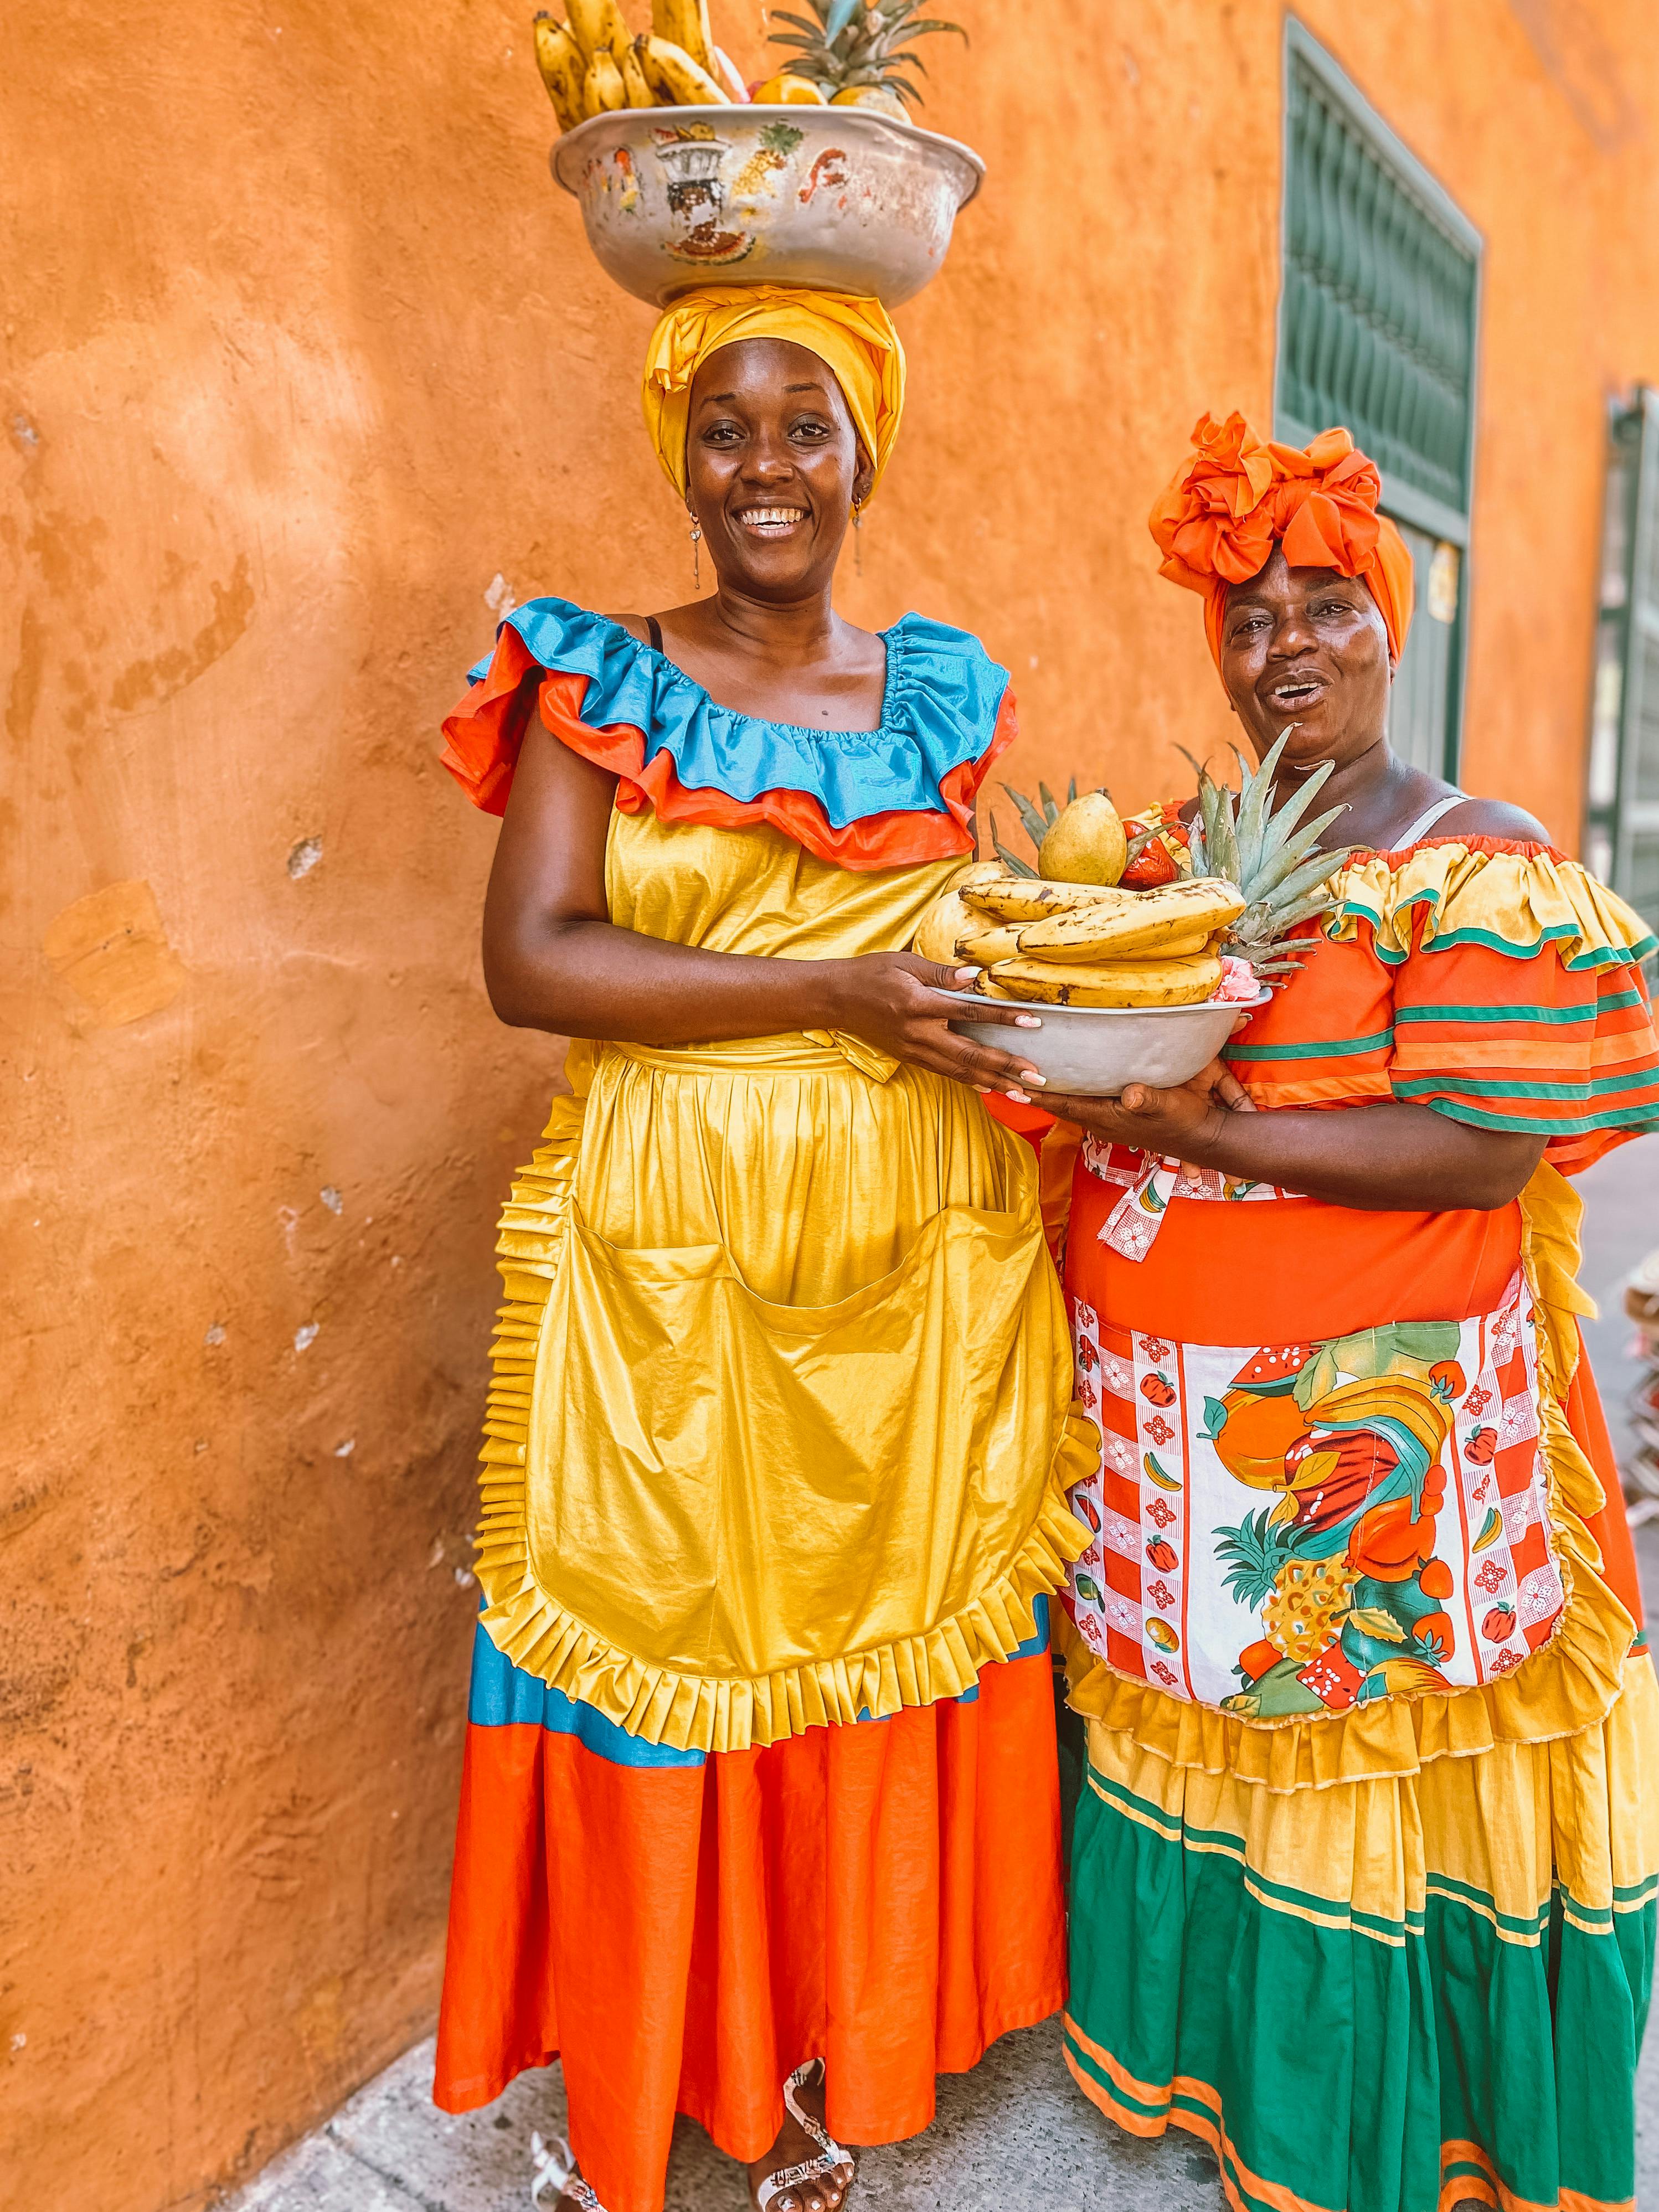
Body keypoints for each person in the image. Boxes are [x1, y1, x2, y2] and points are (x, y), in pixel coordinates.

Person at [428, 286, 1091, 2212]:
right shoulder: (599, 677)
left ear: (865, 449)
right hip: (677, 1240)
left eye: (807, 423)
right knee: (678, 1609)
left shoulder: (939, 692)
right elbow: (532, 958)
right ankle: (685, 2049)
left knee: (880, 1602)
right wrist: (832, 988)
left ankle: (839, 2036)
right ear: (680, 456)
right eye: (723, 427)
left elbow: (964, 943)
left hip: (920, 1243)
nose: (766, 466)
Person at [1040, 413, 1659, 2212]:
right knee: (1213, 1722)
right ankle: (1208, 2061)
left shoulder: (1473, 861)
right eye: (1247, 619)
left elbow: (1479, 1151)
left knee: (1360, 1724)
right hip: (1174, 1445)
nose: (1286, 644)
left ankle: (1373, 2119)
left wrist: (1206, 1130)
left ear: (1392, 623)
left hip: (1382, 1445)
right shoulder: (1170, 857)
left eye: (1326, 604)